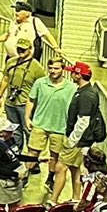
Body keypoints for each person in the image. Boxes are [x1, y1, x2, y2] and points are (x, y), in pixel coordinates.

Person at [26, 55, 77, 203]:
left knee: (54, 156)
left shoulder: (71, 88)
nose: (53, 71)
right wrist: (27, 118)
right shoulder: (40, 83)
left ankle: (50, 177)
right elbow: (31, 100)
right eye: (51, 68)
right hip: (40, 124)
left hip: (60, 128)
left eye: (56, 68)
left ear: (63, 70)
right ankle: (27, 175)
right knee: (32, 152)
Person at [60, 63, 107, 205]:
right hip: (81, 140)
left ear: (78, 75)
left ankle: (53, 200)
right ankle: (76, 198)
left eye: (73, 72)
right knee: (75, 169)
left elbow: (83, 121)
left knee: (60, 167)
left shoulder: (87, 95)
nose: (71, 75)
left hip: (79, 140)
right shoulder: (85, 91)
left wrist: (72, 141)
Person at [0, 43, 41, 138]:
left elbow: (41, 87)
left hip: (25, 105)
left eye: (23, 49)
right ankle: (16, 151)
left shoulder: (37, 67)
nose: (21, 51)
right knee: (14, 131)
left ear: (30, 49)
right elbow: (5, 79)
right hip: (10, 102)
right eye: (19, 48)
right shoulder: (11, 62)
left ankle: (30, 152)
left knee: (28, 131)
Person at [0, 116, 30, 207]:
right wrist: (15, 174)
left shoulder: (10, 140)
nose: (12, 132)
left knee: (15, 206)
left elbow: (16, 156)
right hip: (1, 182)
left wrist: (37, 159)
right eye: (8, 131)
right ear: (0, 133)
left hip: (14, 180)